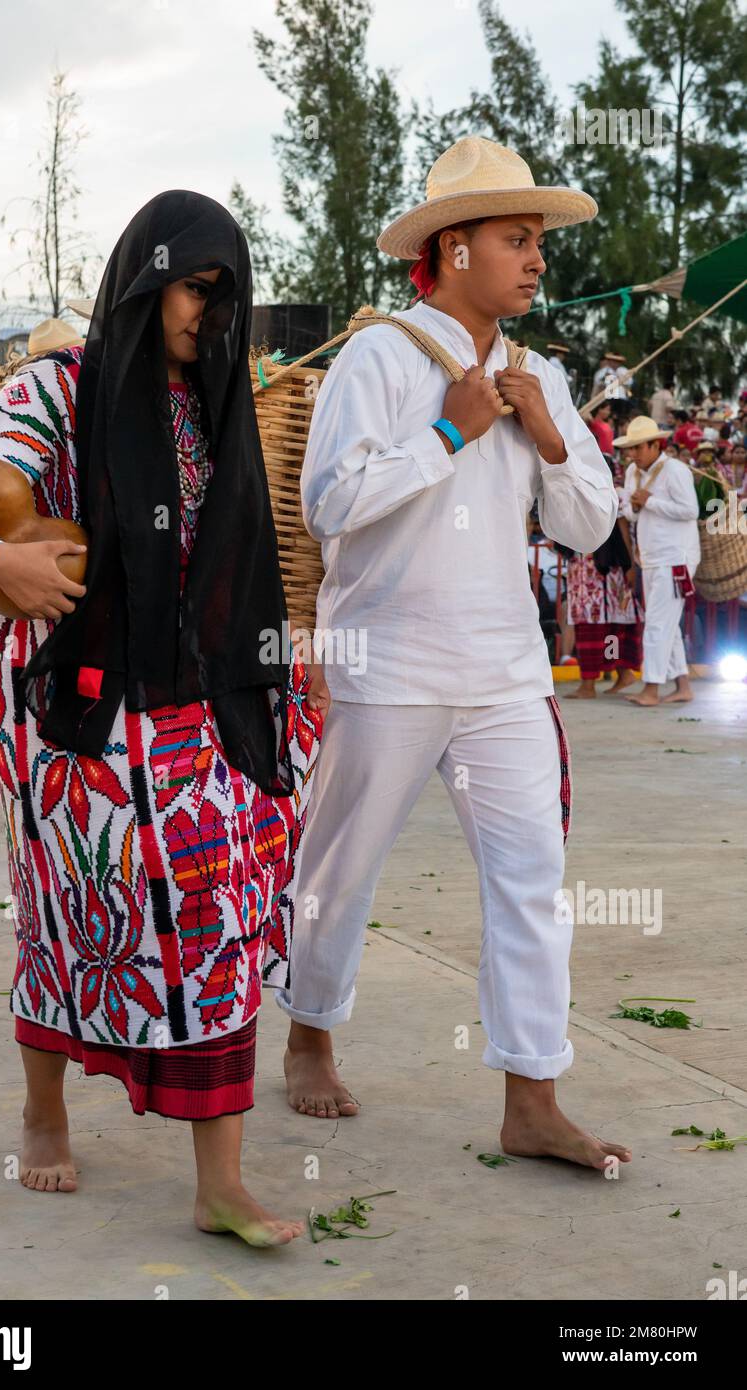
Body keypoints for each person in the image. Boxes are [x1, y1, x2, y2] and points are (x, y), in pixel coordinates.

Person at [0, 192, 323, 1245]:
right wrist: (0, 559)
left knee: (212, 920)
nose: (211, 311)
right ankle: (43, 1110)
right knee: (73, 912)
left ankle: (220, 1181)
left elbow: (242, 557)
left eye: (226, 291)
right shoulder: (60, 386)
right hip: (74, 717)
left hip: (199, 706)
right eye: (197, 286)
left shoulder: (218, 398)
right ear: (147, 279)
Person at [279, 134, 631, 1172]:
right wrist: (447, 432)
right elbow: (327, 501)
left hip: (507, 672)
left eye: (537, 241)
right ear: (453, 249)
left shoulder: (542, 377)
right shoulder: (378, 357)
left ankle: (533, 1092)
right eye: (516, 240)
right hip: (384, 663)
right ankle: (308, 1031)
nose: (535, 259)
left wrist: (550, 440)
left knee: (534, 879)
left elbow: (585, 525)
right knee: (337, 870)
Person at [616, 416, 700, 707]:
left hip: (676, 557)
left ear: (655, 445)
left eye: (638, 448)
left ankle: (652, 688)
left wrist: (650, 501)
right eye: (630, 449)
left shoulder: (676, 470)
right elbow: (630, 513)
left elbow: (690, 510)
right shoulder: (632, 472)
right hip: (650, 557)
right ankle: (682, 685)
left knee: (657, 623)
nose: (632, 454)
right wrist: (635, 505)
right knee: (667, 624)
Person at [563, 466, 642, 699]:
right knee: (602, 625)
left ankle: (591, 684)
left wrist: (628, 566)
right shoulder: (574, 492)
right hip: (585, 568)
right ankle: (621, 673)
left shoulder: (613, 494)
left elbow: (623, 530)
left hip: (605, 570)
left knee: (603, 626)